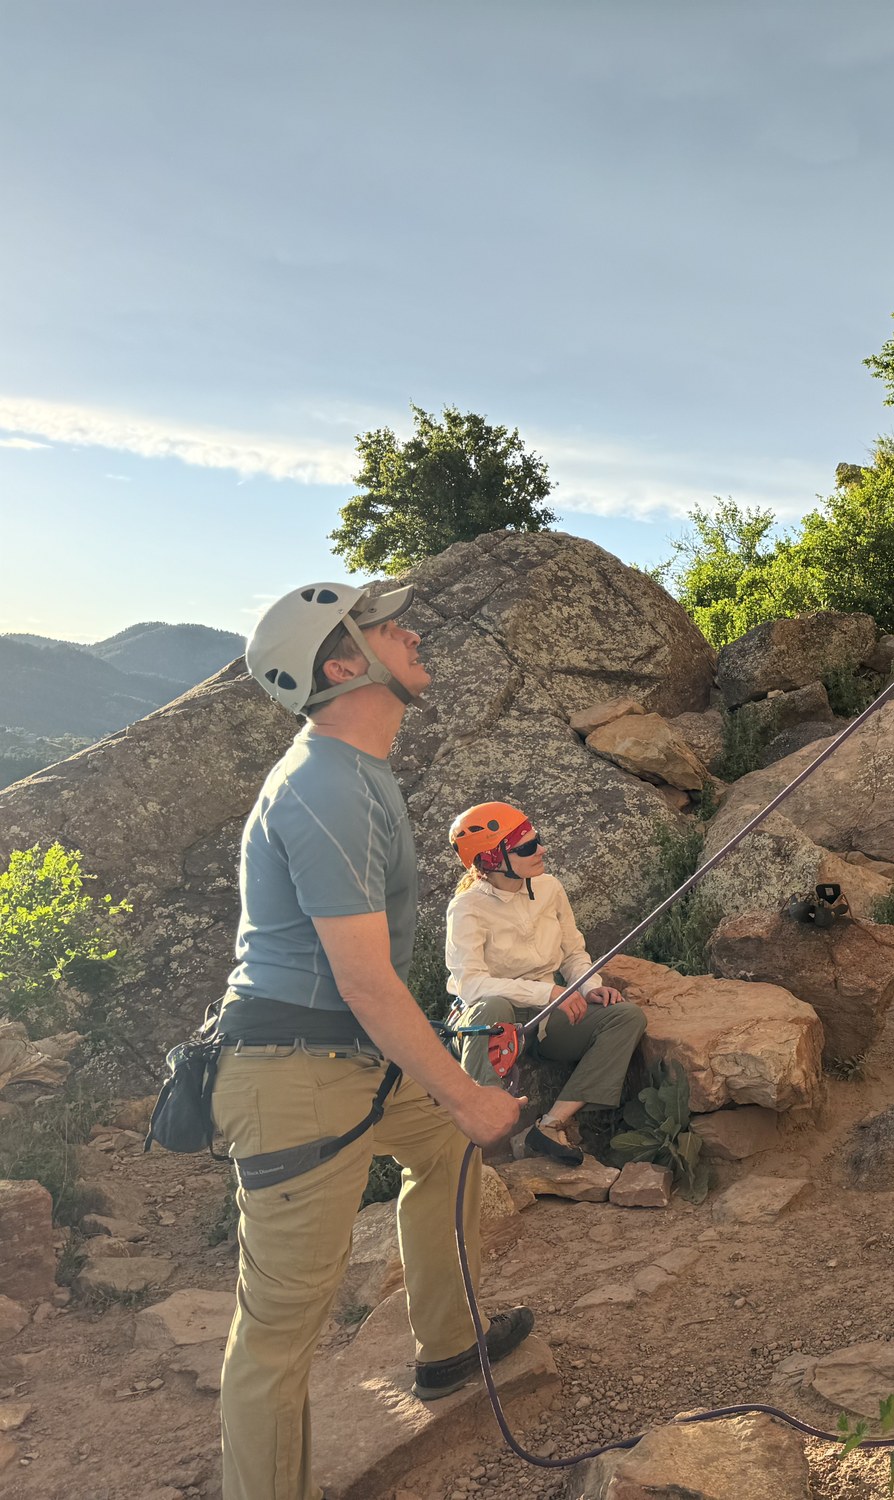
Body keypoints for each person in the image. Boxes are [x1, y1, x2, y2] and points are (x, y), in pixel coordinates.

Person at [212, 581, 532, 1500]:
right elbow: (361, 978)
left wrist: (446, 1085)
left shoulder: (356, 772)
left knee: (445, 1155)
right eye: (389, 627)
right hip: (294, 1077)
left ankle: (443, 1347)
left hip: (348, 1058)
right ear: (344, 663)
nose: (414, 632)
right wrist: (468, 1094)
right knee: (279, 1333)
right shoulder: (325, 788)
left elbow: (363, 986)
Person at [444, 802, 647, 1167]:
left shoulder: (550, 888)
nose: (541, 850)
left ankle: (551, 1126)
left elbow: (573, 953)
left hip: (545, 1018)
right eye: (526, 848)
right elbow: (472, 985)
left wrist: (587, 986)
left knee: (626, 1017)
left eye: (537, 841)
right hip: (493, 1015)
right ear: (492, 859)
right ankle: (479, 1140)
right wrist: (548, 992)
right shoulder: (467, 908)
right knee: (493, 1007)